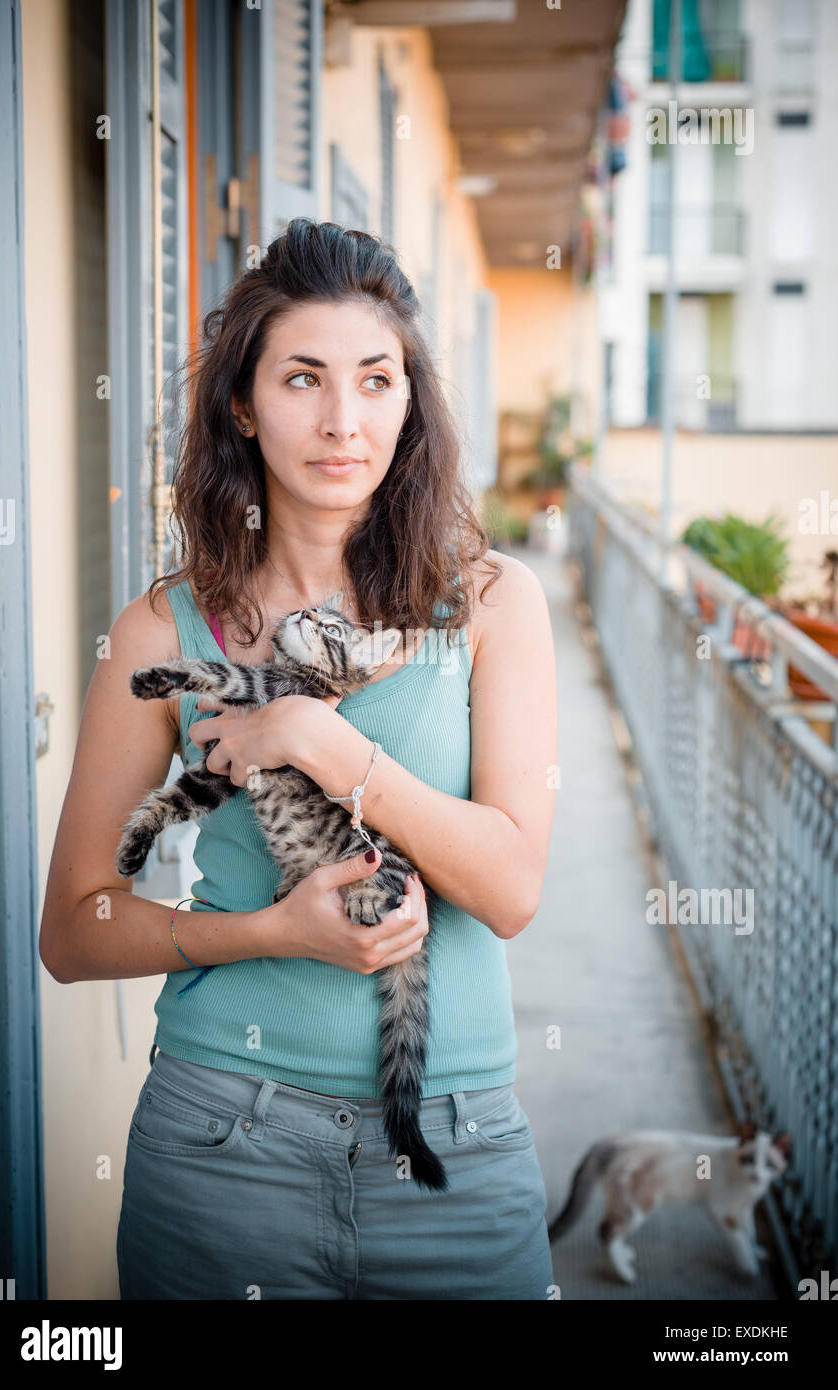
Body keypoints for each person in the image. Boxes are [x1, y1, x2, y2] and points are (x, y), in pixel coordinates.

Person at [39, 218, 558, 1300]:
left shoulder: (495, 605)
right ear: (244, 402)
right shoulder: (161, 632)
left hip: (453, 1154)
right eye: (303, 378)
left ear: (409, 400)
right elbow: (72, 930)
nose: (341, 420)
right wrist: (270, 932)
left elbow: (510, 890)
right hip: (221, 1147)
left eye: (375, 380)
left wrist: (326, 744)